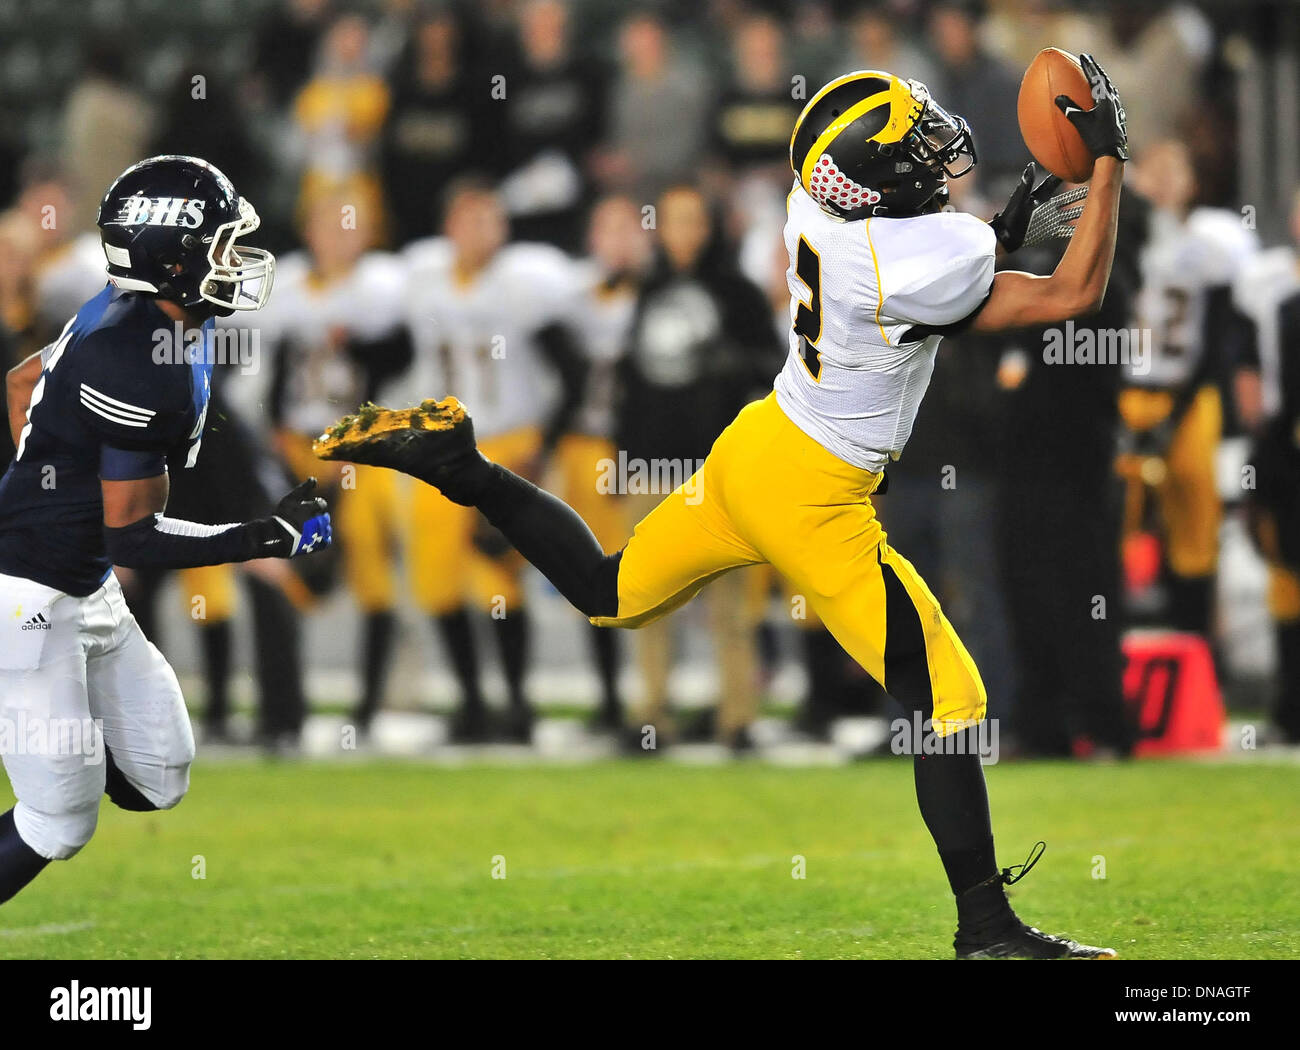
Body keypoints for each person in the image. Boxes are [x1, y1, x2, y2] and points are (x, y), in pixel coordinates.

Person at [317, 62, 1129, 958]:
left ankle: (459, 465)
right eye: (915, 142)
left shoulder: (817, 210)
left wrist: (1013, 217)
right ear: (876, 177)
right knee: (951, 699)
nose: (936, 145)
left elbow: (950, 262)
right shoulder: (926, 258)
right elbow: (1068, 293)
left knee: (609, 588)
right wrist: (1106, 164)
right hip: (817, 499)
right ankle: (986, 928)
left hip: (758, 446)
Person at [0, 156, 332, 905]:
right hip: (26, 600)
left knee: (159, 772)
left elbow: (24, 381)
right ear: (171, 256)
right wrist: (264, 536)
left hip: (82, 587)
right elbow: (133, 541)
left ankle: (55, 736)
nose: (236, 260)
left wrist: (47, 469)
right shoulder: (138, 356)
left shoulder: (139, 318)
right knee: (58, 820)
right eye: (220, 244)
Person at [399, 177, 587, 743]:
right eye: (469, 219)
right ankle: (472, 704)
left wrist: (543, 446)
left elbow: (571, 372)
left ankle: (516, 704)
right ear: (448, 227)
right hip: (439, 450)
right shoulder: (422, 280)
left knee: (499, 583)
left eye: (490, 220)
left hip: (504, 444)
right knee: (437, 581)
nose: (481, 231)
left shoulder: (526, 282)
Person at [616, 183, 781, 750]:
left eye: (694, 220)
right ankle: (652, 717)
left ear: (711, 226)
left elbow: (777, 371)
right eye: (673, 220)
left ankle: (737, 718)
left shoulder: (738, 293)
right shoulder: (649, 289)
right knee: (648, 599)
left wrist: (733, 366)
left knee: (730, 605)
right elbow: (632, 383)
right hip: (653, 466)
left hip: (721, 470)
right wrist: (626, 458)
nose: (684, 232)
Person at [1119, 140, 1258, 636]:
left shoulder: (1211, 242)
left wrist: (1176, 413)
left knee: (1196, 535)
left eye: (1175, 168)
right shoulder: (1117, 235)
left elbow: (1222, 337)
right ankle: (1113, 664)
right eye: (1154, 166)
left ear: (1193, 183)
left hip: (1188, 394)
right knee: (1114, 530)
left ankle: (1196, 653)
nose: (1162, 177)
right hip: (1126, 395)